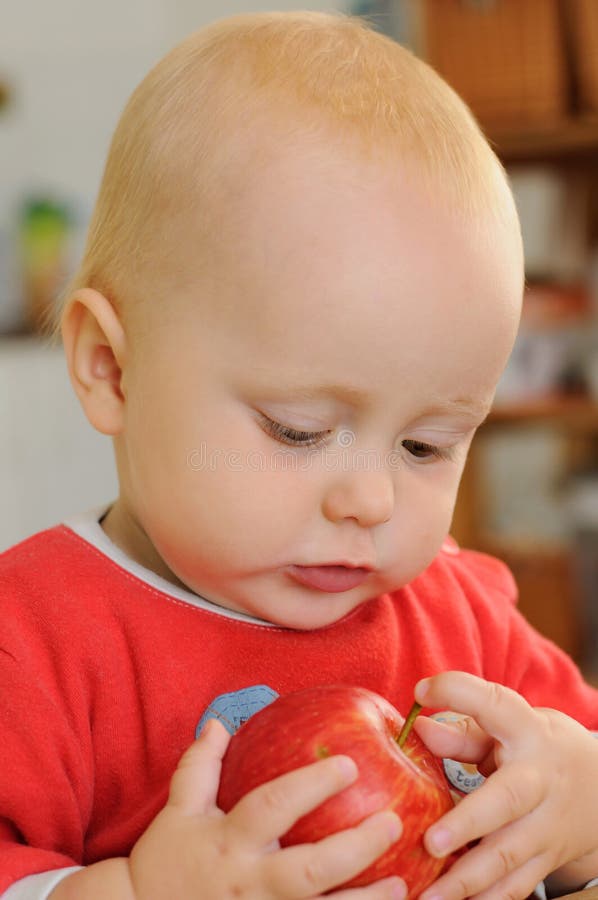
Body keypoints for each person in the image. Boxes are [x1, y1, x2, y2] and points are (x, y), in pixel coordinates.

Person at [1, 10, 598, 900]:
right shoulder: (35, 644)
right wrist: (136, 891)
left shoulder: (461, 621)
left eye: (425, 445)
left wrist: (577, 805)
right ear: (112, 370)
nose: (371, 500)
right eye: (298, 430)